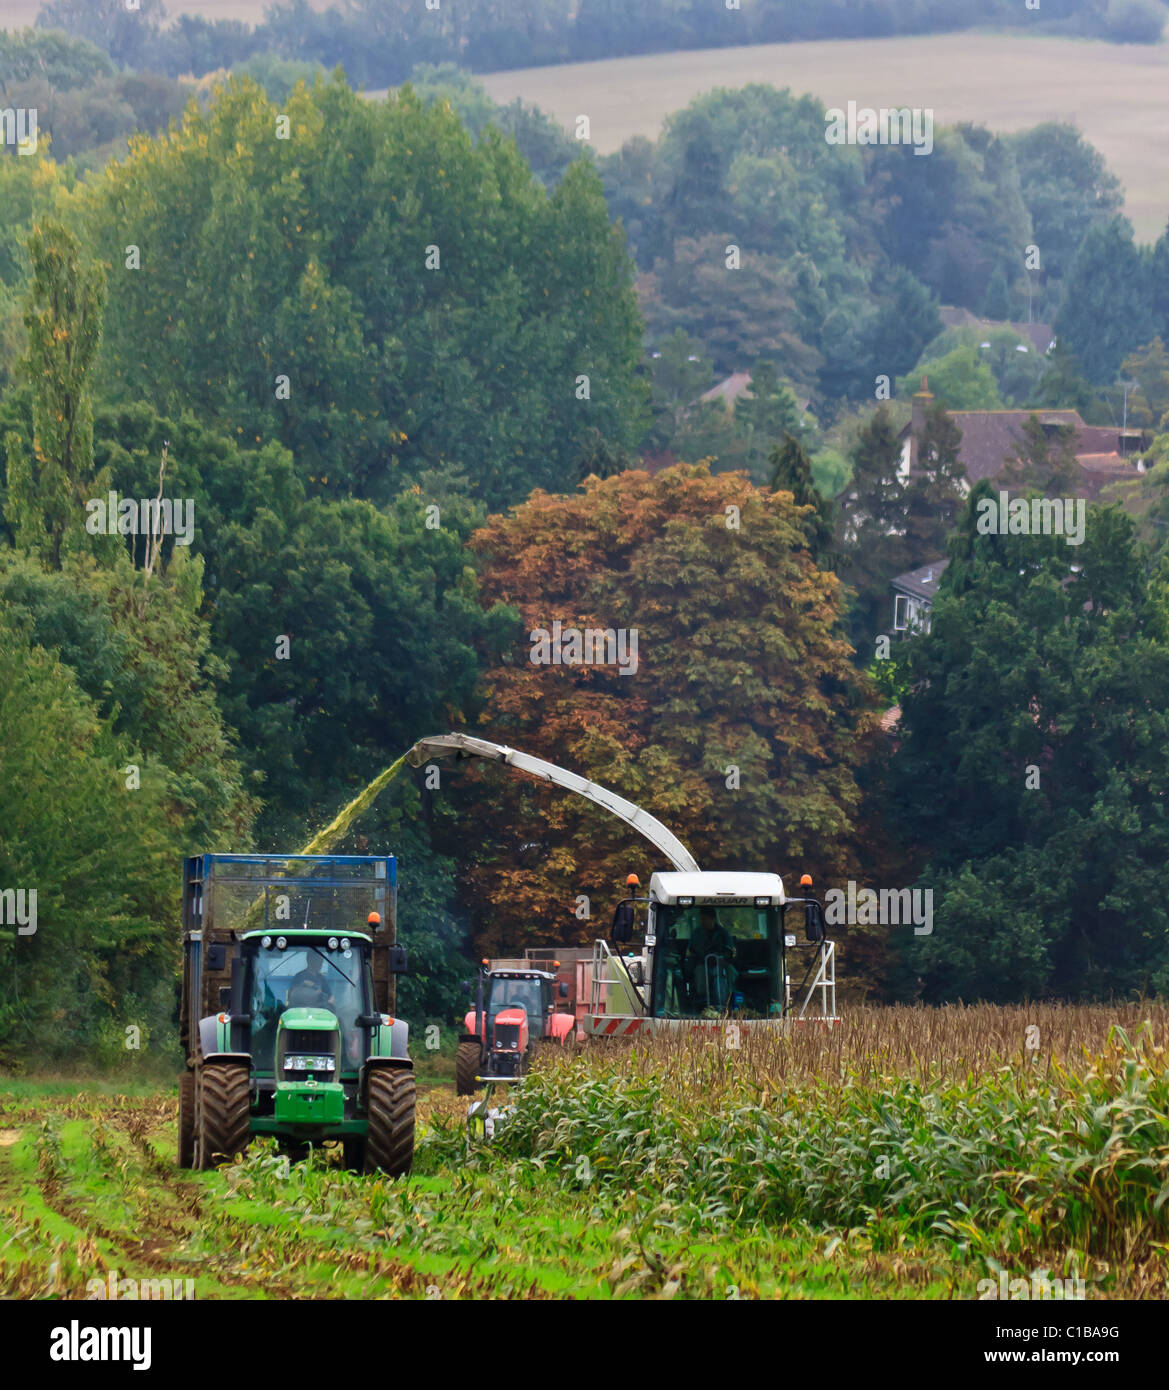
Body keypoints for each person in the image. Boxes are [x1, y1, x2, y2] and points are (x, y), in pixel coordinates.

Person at [686, 907, 737, 1007]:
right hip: (702, 964)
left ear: (713, 919)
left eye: (705, 919)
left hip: (721, 964)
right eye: (701, 919)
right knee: (700, 977)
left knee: (732, 973)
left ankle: (730, 1000)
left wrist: (724, 956)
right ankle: (703, 1002)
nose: (702, 922)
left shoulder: (723, 933)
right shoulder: (697, 933)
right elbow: (691, 951)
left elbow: (730, 949)